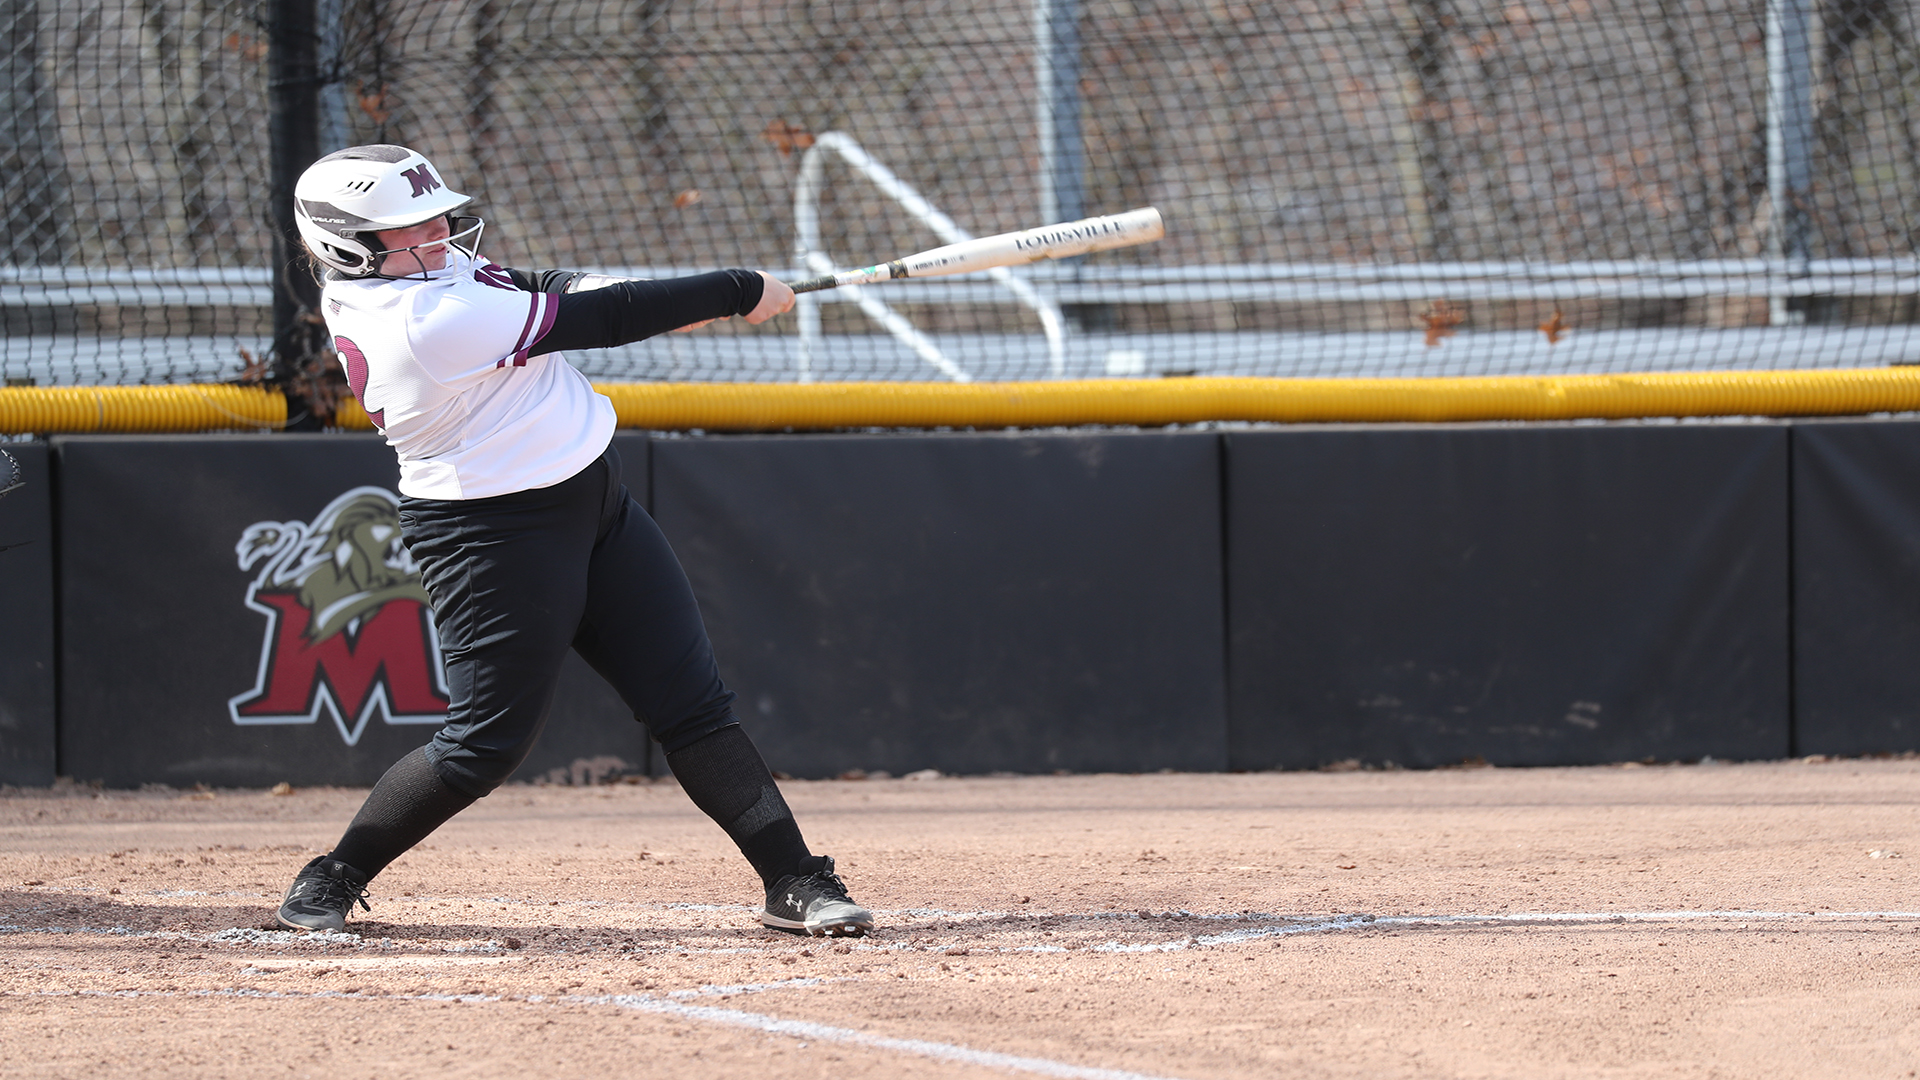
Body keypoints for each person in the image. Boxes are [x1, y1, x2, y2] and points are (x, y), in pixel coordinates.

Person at [275, 143, 872, 938]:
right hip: (491, 537)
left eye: (438, 218)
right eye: (411, 229)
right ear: (349, 249)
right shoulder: (418, 321)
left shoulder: (427, 274)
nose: (438, 236)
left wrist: (600, 286)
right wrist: (739, 289)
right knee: (481, 745)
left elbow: (535, 286)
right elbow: (607, 320)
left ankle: (794, 879)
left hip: (595, 501)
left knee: (693, 705)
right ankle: (334, 875)